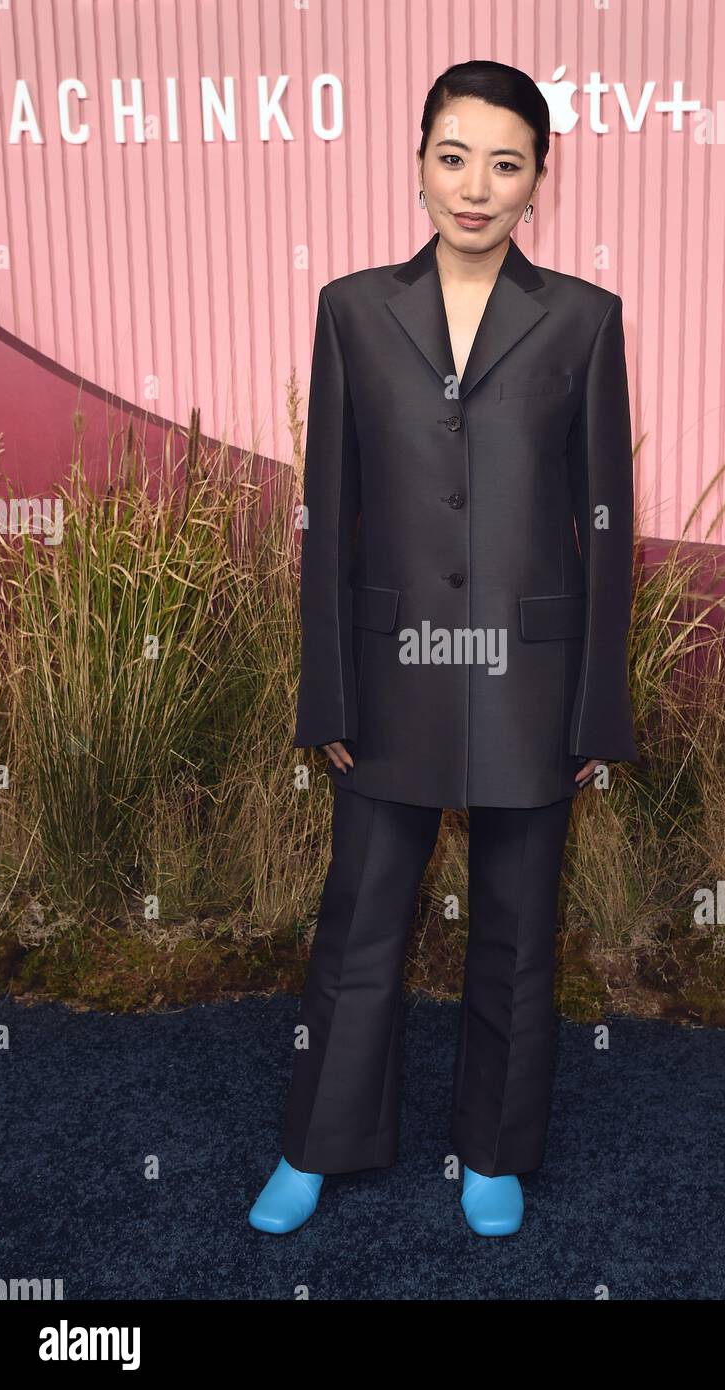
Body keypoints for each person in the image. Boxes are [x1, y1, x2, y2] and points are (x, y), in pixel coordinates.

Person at [249, 58, 638, 1238]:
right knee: (359, 919)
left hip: (533, 681)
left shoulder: (583, 319)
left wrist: (595, 713)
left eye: (505, 163)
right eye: (453, 156)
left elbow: (604, 522)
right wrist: (329, 685)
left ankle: (492, 1151)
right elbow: (330, 510)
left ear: (538, 183)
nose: (476, 186)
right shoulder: (351, 308)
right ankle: (317, 1144)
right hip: (389, 673)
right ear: (418, 164)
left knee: (519, 934)